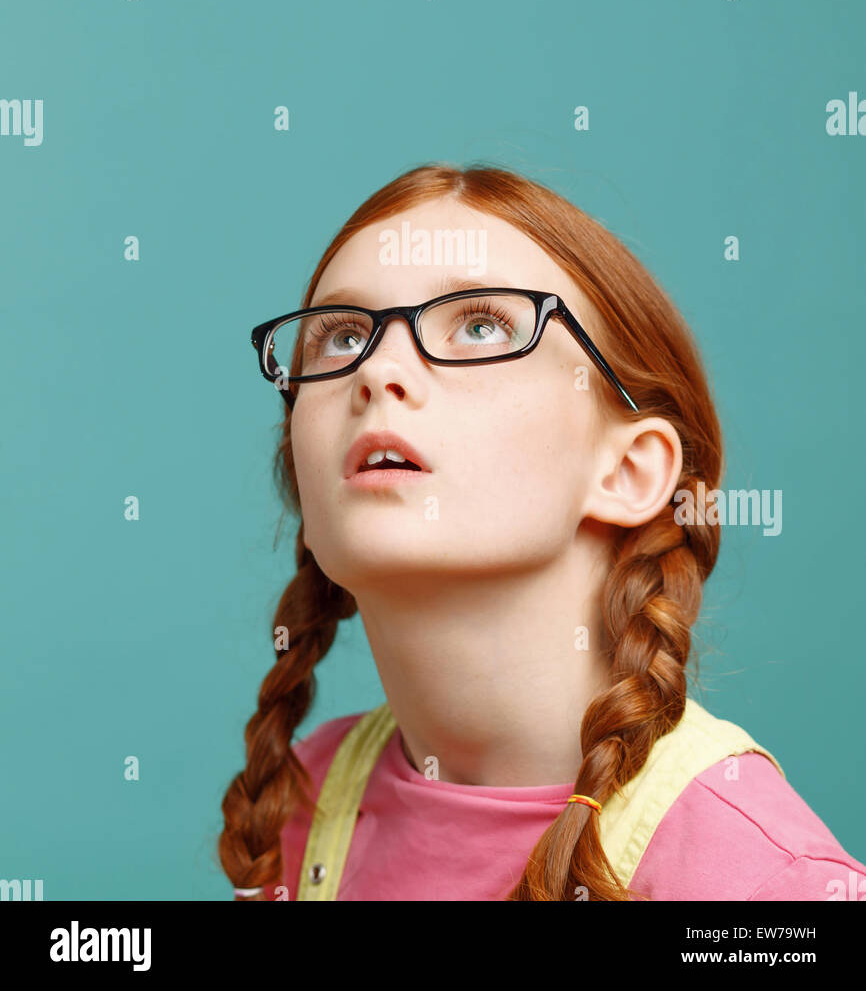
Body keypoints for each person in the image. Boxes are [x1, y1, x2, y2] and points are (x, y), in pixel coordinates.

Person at [219, 161, 866, 901]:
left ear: (628, 470)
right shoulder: (305, 806)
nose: (378, 372)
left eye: (481, 324)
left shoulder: (765, 885)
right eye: (338, 338)